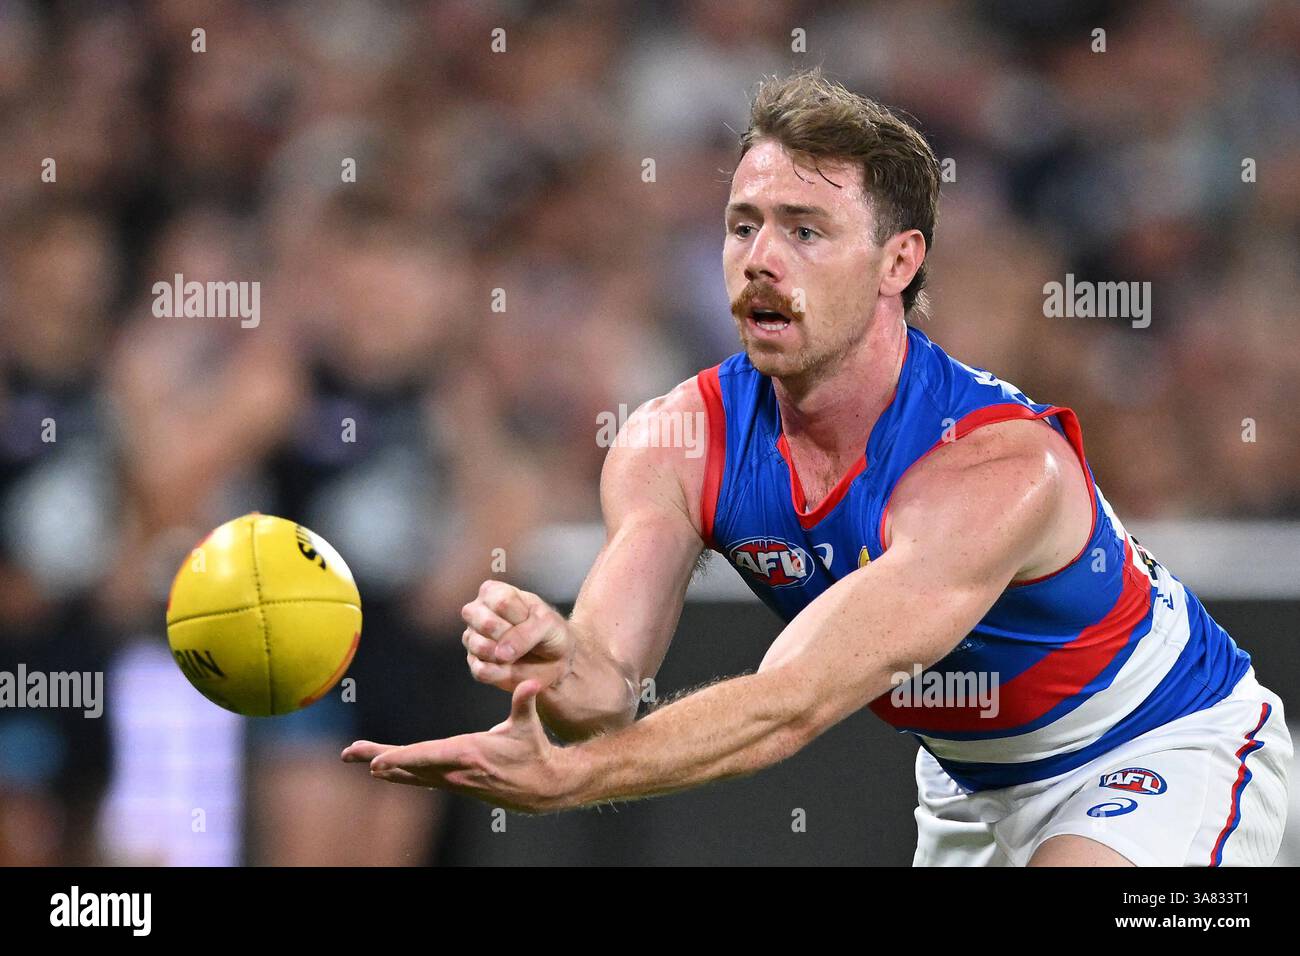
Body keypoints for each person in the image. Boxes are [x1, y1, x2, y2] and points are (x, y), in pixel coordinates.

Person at [343, 69, 1291, 867]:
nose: (759, 259)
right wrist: (559, 664)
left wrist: (573, 780)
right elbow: (603, 690)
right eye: (742, 224)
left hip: (1165, 743)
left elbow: (787, 708)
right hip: (970, 783)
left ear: (897, 262)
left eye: (804, 230)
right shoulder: (676, 441)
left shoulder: (996, 466)